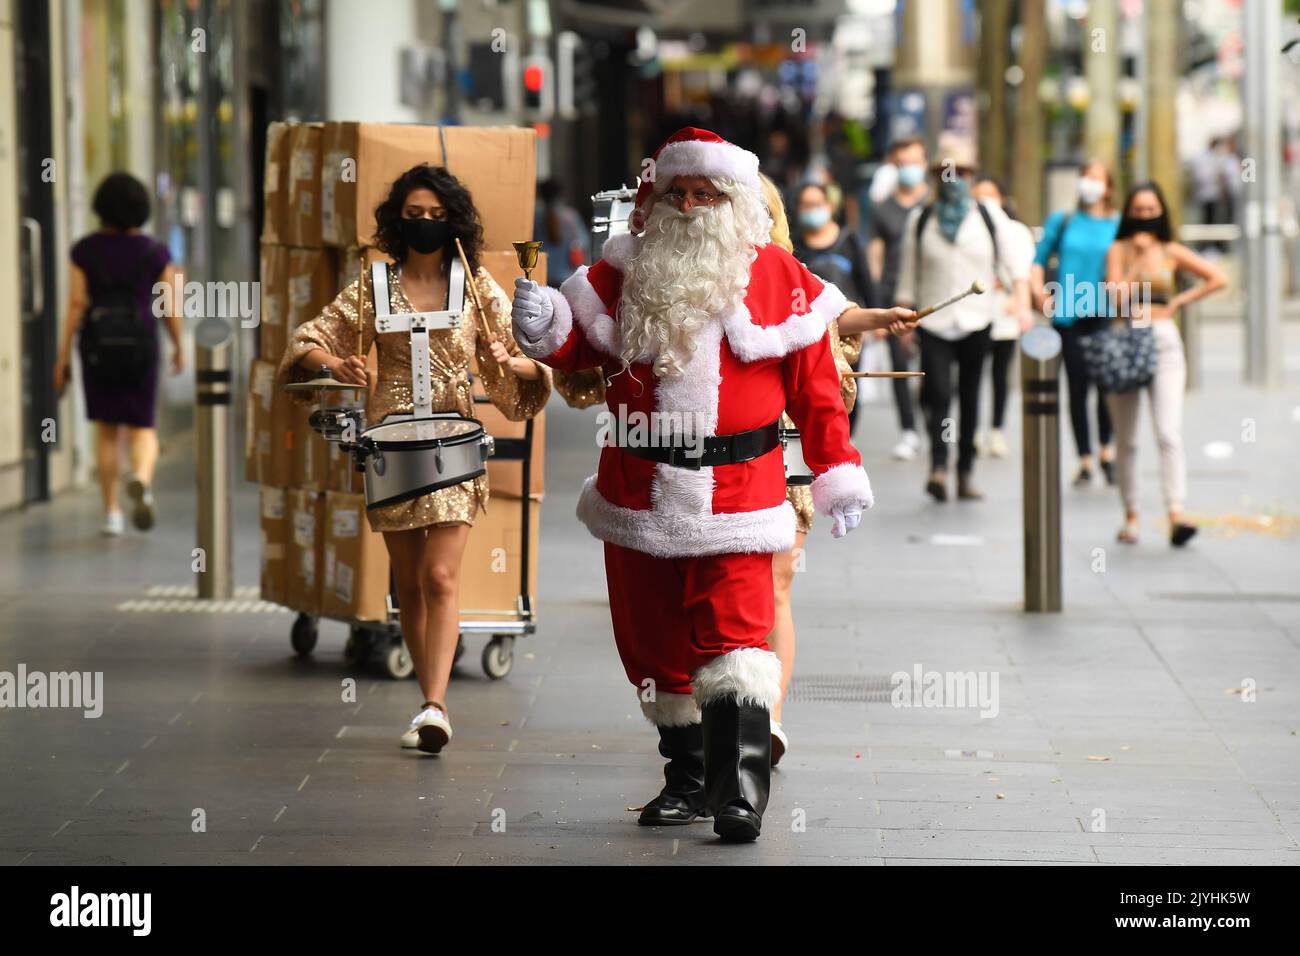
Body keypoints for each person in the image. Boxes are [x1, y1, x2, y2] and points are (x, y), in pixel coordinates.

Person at [511, 127, 874, 842]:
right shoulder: (619, 272)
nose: (690, 205)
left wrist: (836, 471)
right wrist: (546, 326)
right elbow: (578, 348)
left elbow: (817, 390)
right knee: (650, 643)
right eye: (677, 192)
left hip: (740, 491)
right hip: (638, 490)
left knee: (737, 638)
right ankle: (683, 780)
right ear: (655, 196)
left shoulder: (780, 279)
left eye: (706, 193)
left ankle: (738, 789)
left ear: (734, 200)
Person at [280, 164, 551, 753]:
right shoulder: (371, 288)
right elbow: (306, 340)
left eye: (436, 215)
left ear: (453, 221)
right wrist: (336, 365)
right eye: (414, 215)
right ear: (397, 221)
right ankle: (426, 699)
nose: (425, 224)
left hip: (456, 446)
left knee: (440, 574)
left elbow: (530, 362)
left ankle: (435, 706)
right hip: (391, 450)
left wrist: (509, 361)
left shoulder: (477, 287)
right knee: (408, 582)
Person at [765, 174, 914, 766]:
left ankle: (767, 718)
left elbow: (836, 318)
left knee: (777, 581)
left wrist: (880, 319)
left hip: (786, 456)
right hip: (711, 464)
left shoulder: (794, 279)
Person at [895, 146, 1029, 502]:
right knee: (939, 394)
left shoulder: (988, 216)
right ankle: (939, 466)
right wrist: (905, 317)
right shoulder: (922, 219)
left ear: (973, 176)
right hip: (935, 321)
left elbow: (1015, 264)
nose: (955, 180)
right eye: (947, 172)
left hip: (978, 320)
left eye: (963, 172)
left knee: (971, 397)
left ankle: (965, 470)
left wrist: (1023, 301)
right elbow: (909, 274)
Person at [54, 172, 183, 536]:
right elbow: (168, 306)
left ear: (101, 209)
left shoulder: (84, 250)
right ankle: (141, 478)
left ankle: (111, 513)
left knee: (108, 430)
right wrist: (178, 346)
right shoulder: (156, 252)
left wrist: (62, 356)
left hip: (98, 348)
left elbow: (77, 304)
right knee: (143, 427)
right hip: (142, 344)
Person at [1104, 181, 1226, 547]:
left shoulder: (1171, 250)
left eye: (1151, 210)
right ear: (1128, 213)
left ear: (1161, 213)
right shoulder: (1118, 249)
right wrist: (1137, 261)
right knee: (1126, 439)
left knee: (1168, 433)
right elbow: (1114, 299)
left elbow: (1218, 278)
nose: (1144, 217)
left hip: (1163, 340)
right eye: (1138, 210)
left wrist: (1178, 303)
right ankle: (1132, 515)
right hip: (1126, 340)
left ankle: (1176, 512)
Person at [1030, 160, 1120, 486]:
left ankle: (1108, 451)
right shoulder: (1063, 221)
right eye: (1085, 177)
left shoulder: (1118, 224)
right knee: (1077, 386)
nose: (1089, 183)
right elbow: (1037, 262)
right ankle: (1085, 458)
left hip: (1104, 314)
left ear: (1108, 188)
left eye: (1096, 178)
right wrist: (1040, 295)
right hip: (1067, 316)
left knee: (1107, 385)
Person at [867, 137, 927, 460]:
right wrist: (877, 308)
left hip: (930, 296)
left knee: (934, 368)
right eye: (902, 164)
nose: (909, 170)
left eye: (914, 162)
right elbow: (875, 257)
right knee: (902, 367)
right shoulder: (882, 209)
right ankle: (909, 430)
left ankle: (934, 422)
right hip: (894, 297)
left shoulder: (934, 204)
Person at [971, 177, 1035, 457]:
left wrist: (1019, 303)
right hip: (975, 314)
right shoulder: (969, 233)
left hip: (1005, 312)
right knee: (972, 375)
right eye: (979, 196)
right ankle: (971, 432)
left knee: (1000, 375)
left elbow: (1024, 272)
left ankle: (996, 430)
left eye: (990, 195)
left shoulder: (1016, 232)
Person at [534, 179, 589, 288]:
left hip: (541, 277)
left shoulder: (535, 217)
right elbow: (582, 243)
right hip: (567, 277)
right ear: (561, 194)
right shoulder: (571, 217)